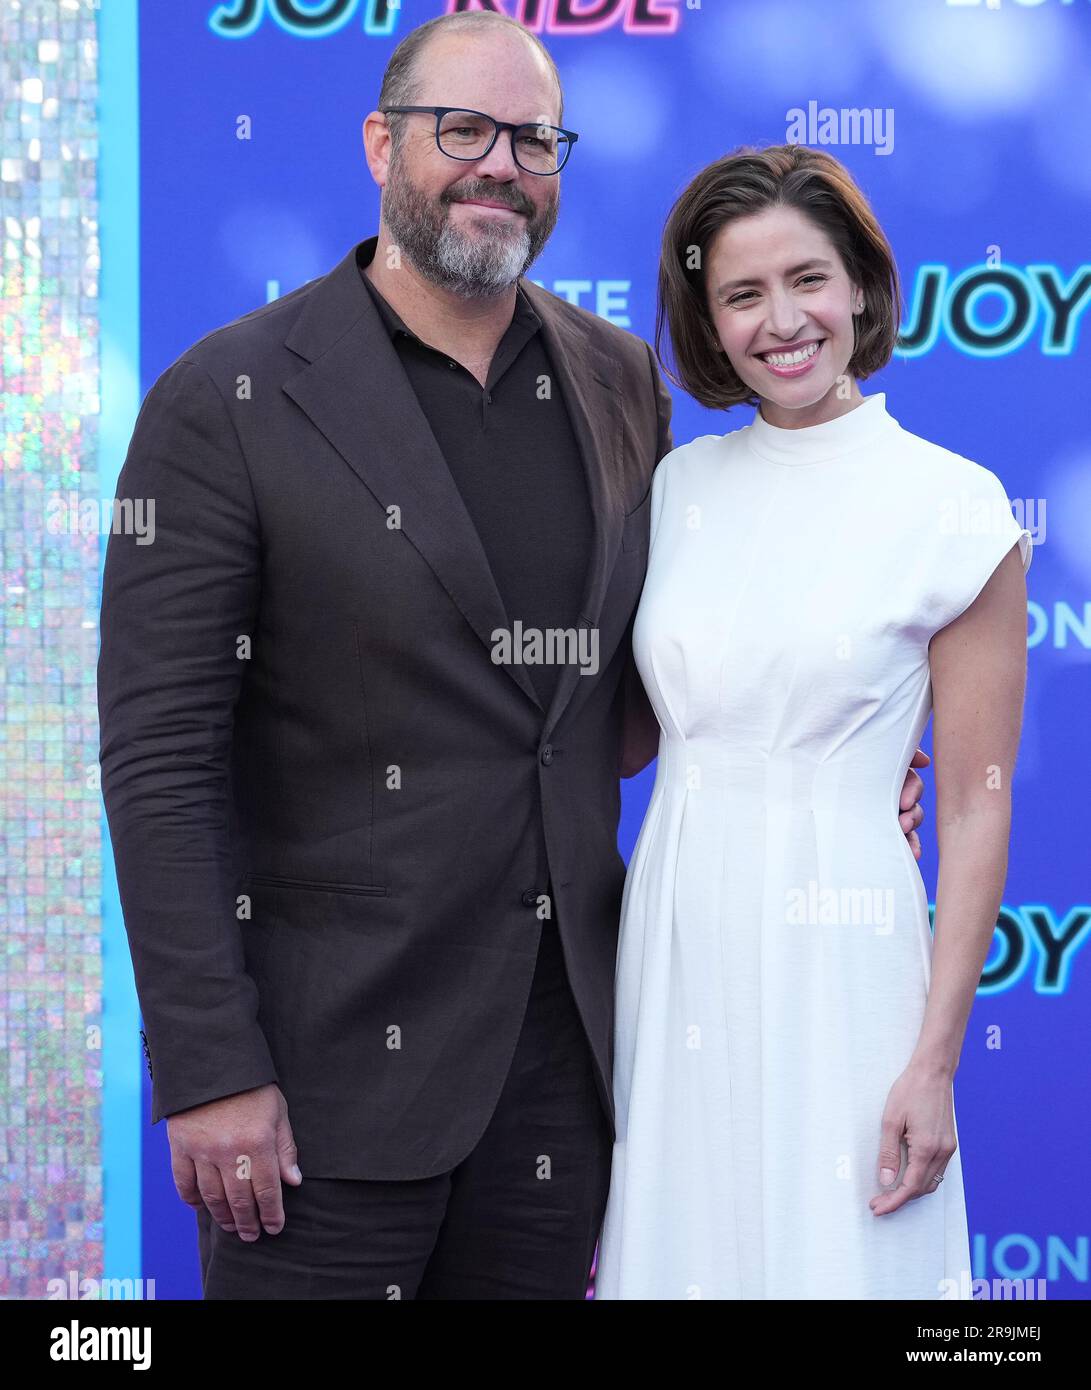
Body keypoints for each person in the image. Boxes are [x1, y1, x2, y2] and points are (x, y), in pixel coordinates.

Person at [97, 13, 925, 1301]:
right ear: (381, 144)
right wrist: (209, 1065)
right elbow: (159, 760)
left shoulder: (616, 382)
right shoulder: (228, 399)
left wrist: (823, 749)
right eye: (461, 130)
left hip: (564, 1083)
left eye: (532, 138)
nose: (498, 164)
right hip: (318, 1093)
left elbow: (634, 694)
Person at [595, 144, 1031, 1300]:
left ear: (860, 289)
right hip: (674, 941)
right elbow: (626, 732)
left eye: (806, 280)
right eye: (740, 293)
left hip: (846, 955)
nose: (780, 321)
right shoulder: (673, 491)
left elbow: (975, 814)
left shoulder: (950, 503)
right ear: (705, 316)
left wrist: (931, 1063)